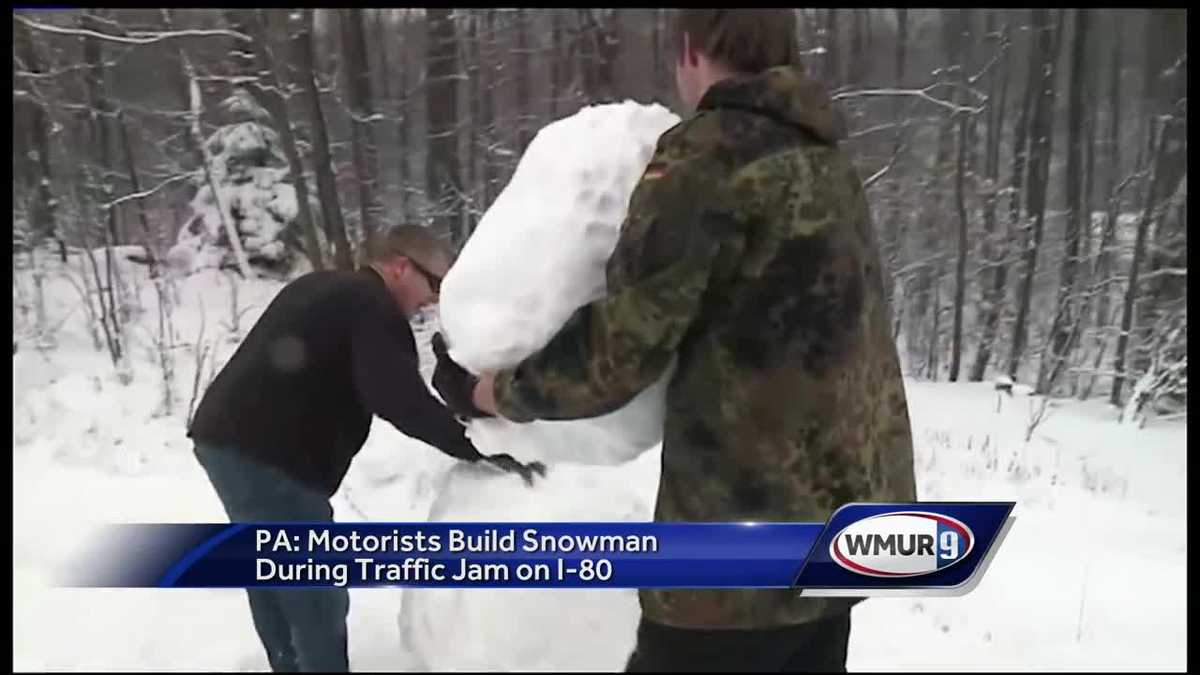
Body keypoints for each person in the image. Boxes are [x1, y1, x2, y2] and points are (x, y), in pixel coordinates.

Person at [431, 9, 917, 673]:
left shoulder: (706, 159)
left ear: (691, 49)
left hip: (739, 549)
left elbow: (624, 346)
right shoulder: (825, 161)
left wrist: (492, 391)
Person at [188, 225, 544, 672]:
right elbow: (396, 397)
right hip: (267, 458)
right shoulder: (371, 305)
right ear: (400, 267)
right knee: (315, 592)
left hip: (227, 441)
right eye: (434, 284)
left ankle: (289, 664)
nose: (433, 300)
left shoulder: (329, 286)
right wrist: (474, 445)